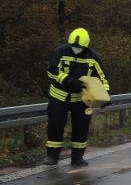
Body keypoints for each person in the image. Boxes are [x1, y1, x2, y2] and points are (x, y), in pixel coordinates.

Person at [45, 27, 109, 167]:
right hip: (59, 96)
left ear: (86, 45)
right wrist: (68, 80)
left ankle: (77, 157)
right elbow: (52, 71)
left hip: (82, 99)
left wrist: (104, 96)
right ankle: (52, 156)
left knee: (81, 128)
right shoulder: (60, 52)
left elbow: (102, 78)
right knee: (55, 126)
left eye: (78, 47)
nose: (75, 49)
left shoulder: (93, 57)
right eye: (73, 46)